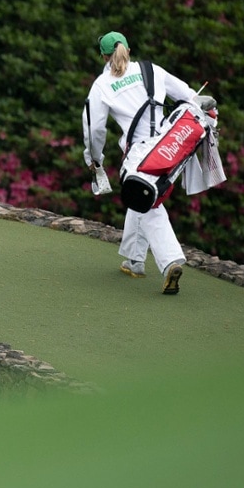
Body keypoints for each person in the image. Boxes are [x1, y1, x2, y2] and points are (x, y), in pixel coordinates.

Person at [82, 31, 199, 295]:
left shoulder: (102, 84)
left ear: (103, 56)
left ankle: (170, 261)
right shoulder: (151, 70)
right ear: (129, 50)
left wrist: (94, 160)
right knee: (140, 197)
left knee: (144, 198)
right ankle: (135, 260)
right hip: (171, 146)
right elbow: (188, 95)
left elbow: (94, 129)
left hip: (140, 153)